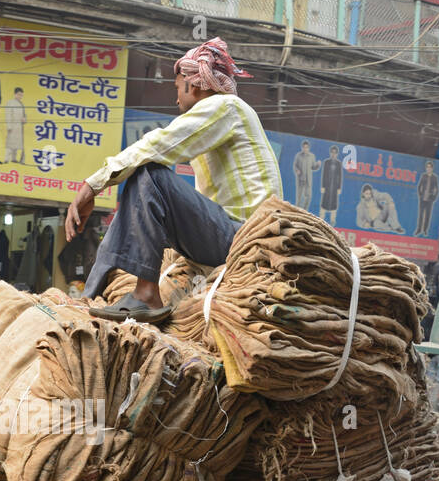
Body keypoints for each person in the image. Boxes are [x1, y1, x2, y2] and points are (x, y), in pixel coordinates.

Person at [65, 37, 282, 324]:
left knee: (148, 174)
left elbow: (159, 144)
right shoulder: (223, 117)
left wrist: (92, 185)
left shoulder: (227, 107)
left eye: (178, 88)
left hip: (243, 238)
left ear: (192, 85)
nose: (176, 98)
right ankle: (93, 294)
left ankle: (144, 295)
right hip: (227, 232)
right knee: (141, 198)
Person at [319, 144, 343, 225]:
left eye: (335, 153)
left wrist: (339, 187)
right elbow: (324, 174)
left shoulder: (339, 164)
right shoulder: (326, 162)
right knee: (324, 202)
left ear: (337, 154)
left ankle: (333, 220)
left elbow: (339, 176)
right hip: (327, 185)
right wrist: (323, 186)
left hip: (335, 187)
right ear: (330, 153)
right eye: (332, 152)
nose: (333, 154)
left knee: (334, 203)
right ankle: (321, 218)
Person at [415, 160, 439, 237]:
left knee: (428, 215)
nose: (428, 169)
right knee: (421, 215)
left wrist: (434, 198)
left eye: (430, 167)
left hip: (430, 200)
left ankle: (425, 230)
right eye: (427, 167)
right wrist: (420, 195)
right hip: (423, 199)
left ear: (432, 168)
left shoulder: (435, 177)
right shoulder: (423, 176)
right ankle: (419, 230)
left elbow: (437, 189)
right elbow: (419, 186)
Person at [293, 140, 321, 209]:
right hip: (300, 179)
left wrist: (318, 165)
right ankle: (297, 209)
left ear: (309, 148)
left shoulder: (312, 156)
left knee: (308, 196)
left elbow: (313, 167)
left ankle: (305, 210)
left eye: (307, 147)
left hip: (308, 179)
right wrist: (297, 170)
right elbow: (295, 165)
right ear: (302, 148)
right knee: (299, 196)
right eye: (304, 147)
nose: (305, 149)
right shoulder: (298, 156)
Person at [3, 86, 27, 163]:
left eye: (21, 95)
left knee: (16, 144)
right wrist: (9, 126)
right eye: (19, 94)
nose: (20, 96)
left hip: (19, 127)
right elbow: (8, 115)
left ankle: (14, 158)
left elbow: (24, 115)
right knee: (10, 143)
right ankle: (6, 159)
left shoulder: (21, 104)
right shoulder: (10, 102)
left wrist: (24, 119)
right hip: (12, 126)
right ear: (15, 94)